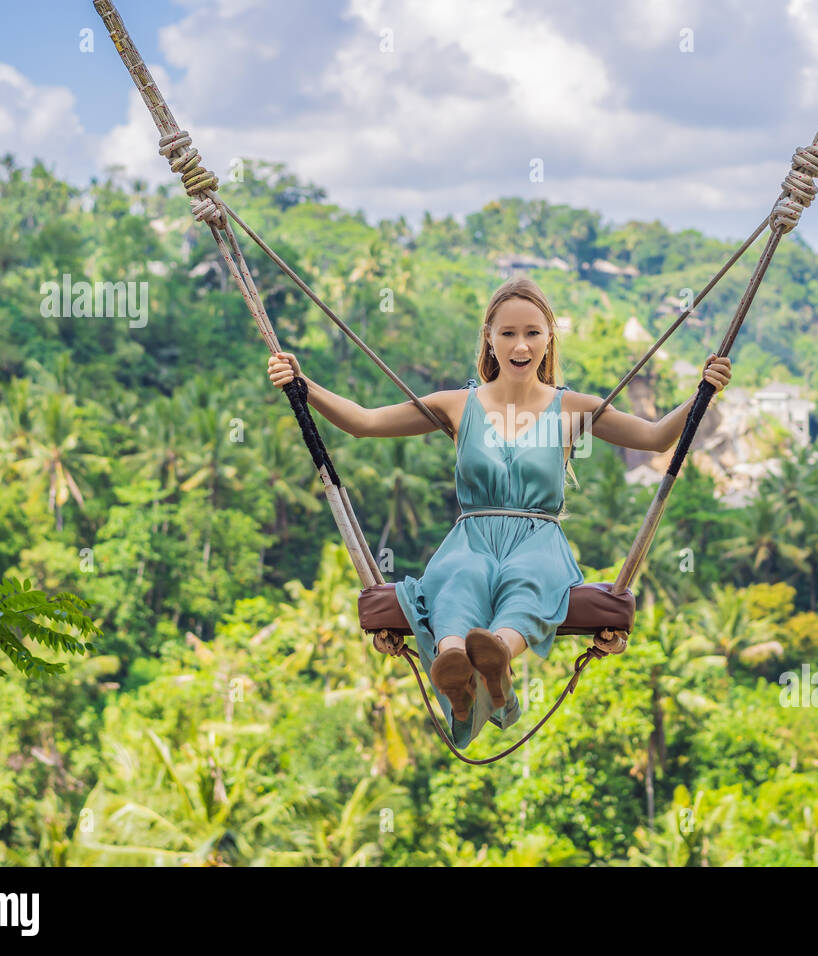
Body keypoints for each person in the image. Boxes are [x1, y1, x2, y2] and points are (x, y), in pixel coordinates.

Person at [268, 276, 732, 748]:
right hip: (471, 537)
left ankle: (496, 662)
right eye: (508, 333)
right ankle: (453, 664)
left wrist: (702, 393)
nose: (521, 345)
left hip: (538, 539)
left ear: (549, 337)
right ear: (489, 337)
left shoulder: (572, 408)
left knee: (529, 580)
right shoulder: (455, 405)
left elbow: (655, 437)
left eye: (532, 332)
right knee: (460, 578)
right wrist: (303, 385)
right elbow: (364, 423)